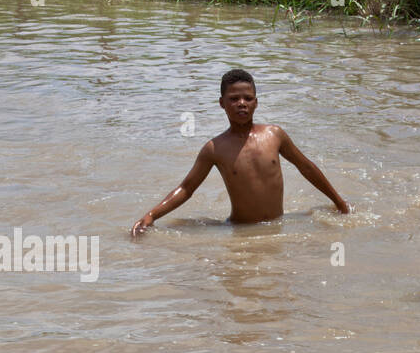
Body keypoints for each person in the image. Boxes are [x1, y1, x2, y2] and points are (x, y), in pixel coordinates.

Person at [131, 68, 348, 235]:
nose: (241, 104)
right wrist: (151, 215)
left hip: (277, 227)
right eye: (234, 99)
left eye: (248, 98)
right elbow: (187, 188)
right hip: (240, 231)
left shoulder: (274, 135)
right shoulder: (214, 149)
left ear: (256, 103)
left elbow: (306, 167)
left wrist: (339, 203)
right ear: (222, 104)